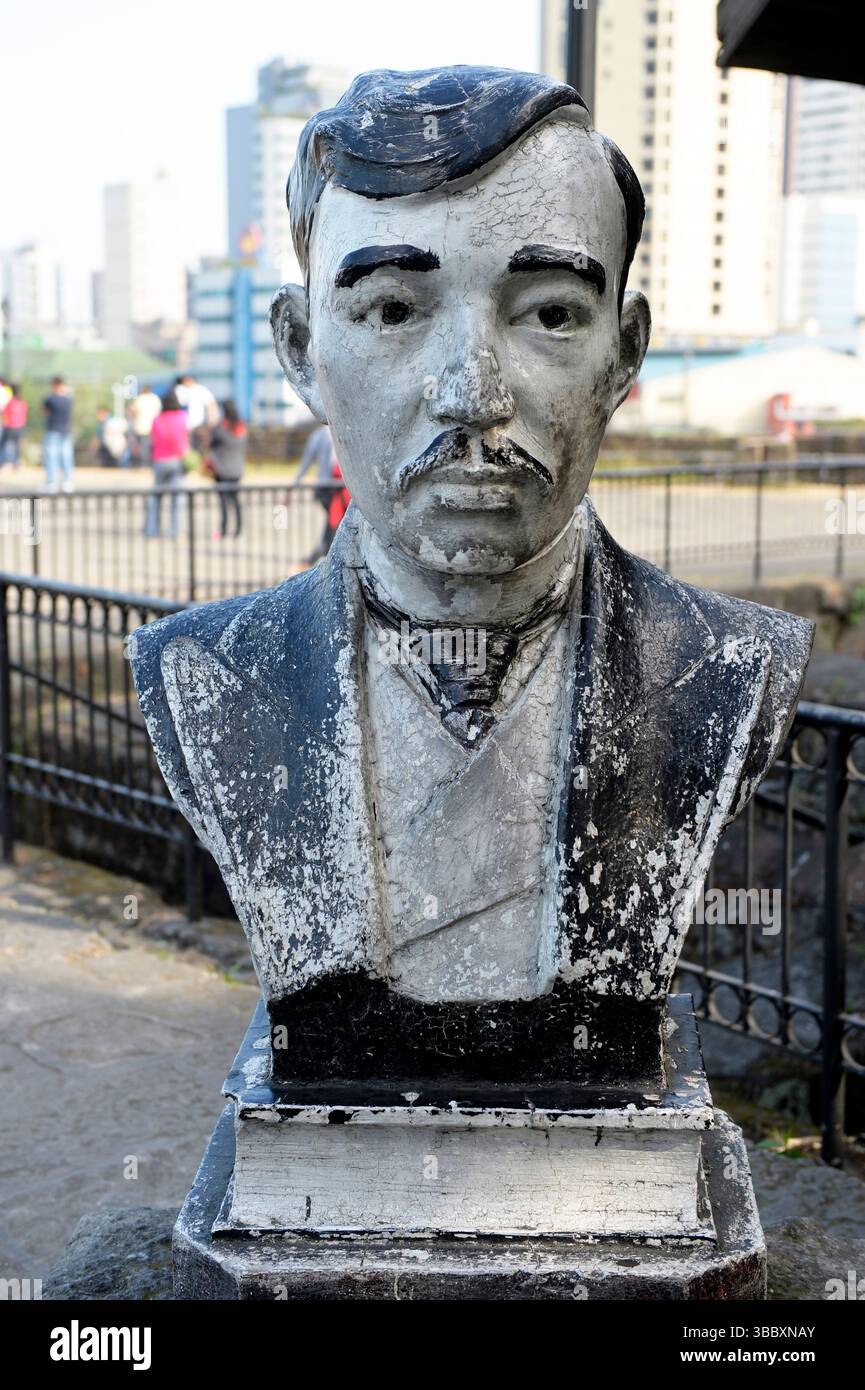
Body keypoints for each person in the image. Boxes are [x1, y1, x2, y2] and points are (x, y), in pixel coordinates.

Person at [130, 66, 812, 1031]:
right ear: (298, 349)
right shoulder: (202, 673)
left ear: (623, 354)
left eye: (548, 313)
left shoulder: (728, 667)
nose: (472, 393)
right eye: (394, 311)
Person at [144, 389, 188, 538]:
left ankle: (151, 529)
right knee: (177, 498)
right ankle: (174, 530)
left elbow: (153, 439)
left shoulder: (157, 419)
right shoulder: (182, 417)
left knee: (156, 497)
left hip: (160, 460)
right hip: (177, 460)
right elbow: (185, 439)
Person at [290, 422, 337, 561]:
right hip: (333, 487)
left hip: (325, 486)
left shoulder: (318, 436)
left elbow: (306, 463)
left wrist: (294, 484)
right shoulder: (333, 434)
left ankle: (321, 553)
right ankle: (321, 553)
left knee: (333, 523)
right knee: (333, 523)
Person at [205, 399, 247, 538]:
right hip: (237, 468)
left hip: (222, 469)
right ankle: (238, 530)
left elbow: (210, 443)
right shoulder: (241, 428)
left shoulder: (220, 429)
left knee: (223, 501)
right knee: (235, 500)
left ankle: (223, 530)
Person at [42, 376, 75, 492]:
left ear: (54, 385)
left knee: (51, 457)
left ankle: (52, 482)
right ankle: (67, 482)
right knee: (66, 457)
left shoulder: (50, 399)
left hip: (52, 431)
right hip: (66, 430)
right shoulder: (69, 399)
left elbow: (43, 411)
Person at [175, 373, 218, 453]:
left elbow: (211, 404)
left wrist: (212, 419)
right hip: (183, 426)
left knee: (199, 447)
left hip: (197, 425)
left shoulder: (200, 390)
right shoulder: (180, 390)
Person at [128, 384, 162, 465]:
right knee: (153, 447)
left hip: (142, 427)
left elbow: (133, 412)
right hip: (155, 427)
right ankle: (153, 463)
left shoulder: (140, 399)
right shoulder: (155, 398)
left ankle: (145, 464)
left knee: (144, 448)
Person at [1, 384, 28, 468]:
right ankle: (17, 462)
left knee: (3, 444)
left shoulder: (10, 402)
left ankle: (2, 462)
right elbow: (25, 414)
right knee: (17, 445)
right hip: (20, 426)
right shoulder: (22, 402)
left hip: (10, 426)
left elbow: (4, 413)